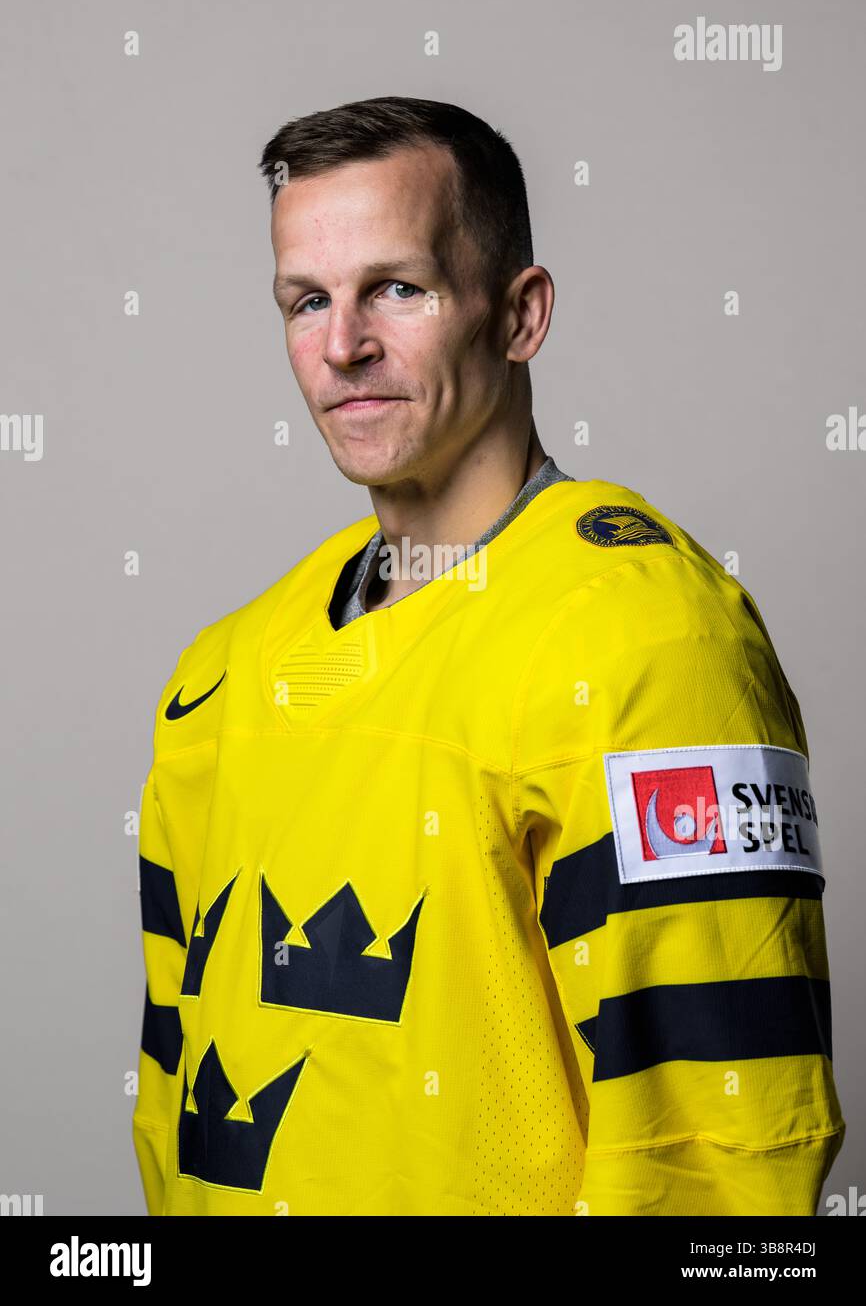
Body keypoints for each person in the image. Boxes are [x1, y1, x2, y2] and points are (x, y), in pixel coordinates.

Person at [132, 95, 845, 1216]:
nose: (342, 344)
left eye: (396, 289)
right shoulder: (219, 673)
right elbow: (174, 1104)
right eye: (305, 300)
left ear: (518, 314)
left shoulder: (645, 635)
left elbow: (718, 1143)